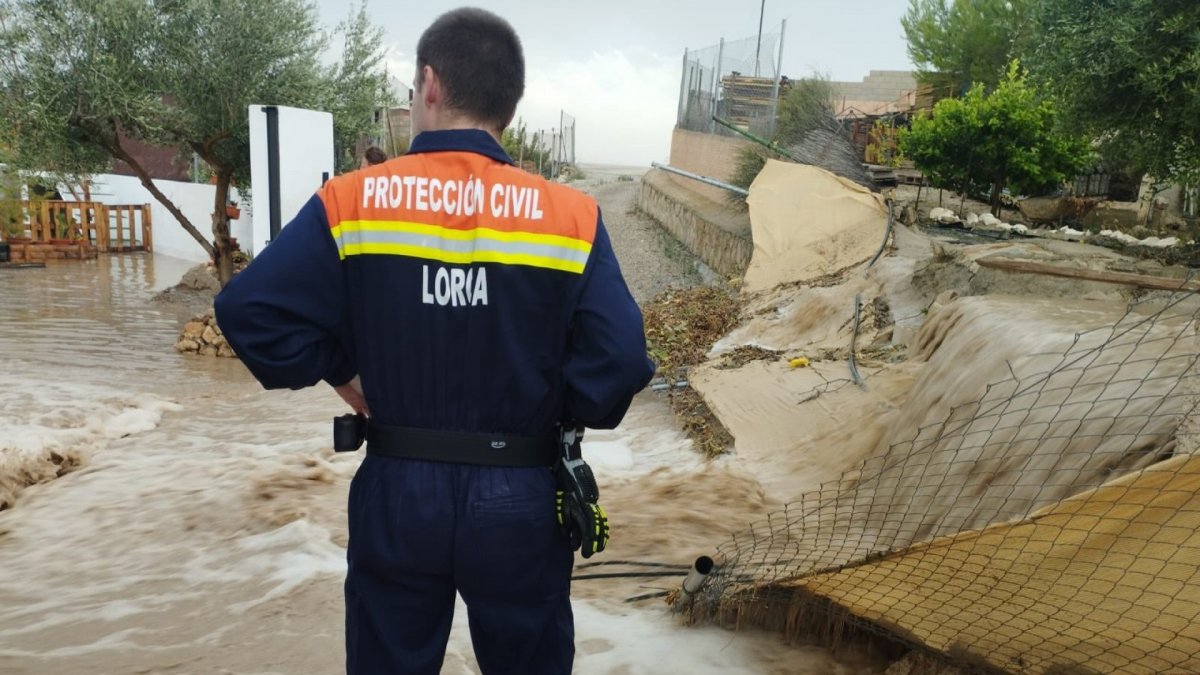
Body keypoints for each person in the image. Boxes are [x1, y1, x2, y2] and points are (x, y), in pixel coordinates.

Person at [213, 7, 654, 675]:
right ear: (510, 103)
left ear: (429, 85)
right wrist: (551, 408)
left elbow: (249, 311)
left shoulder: (351, 201)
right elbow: (619, 362)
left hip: (398, 490)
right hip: (523, 493)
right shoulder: (572, 217)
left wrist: (341, 368)